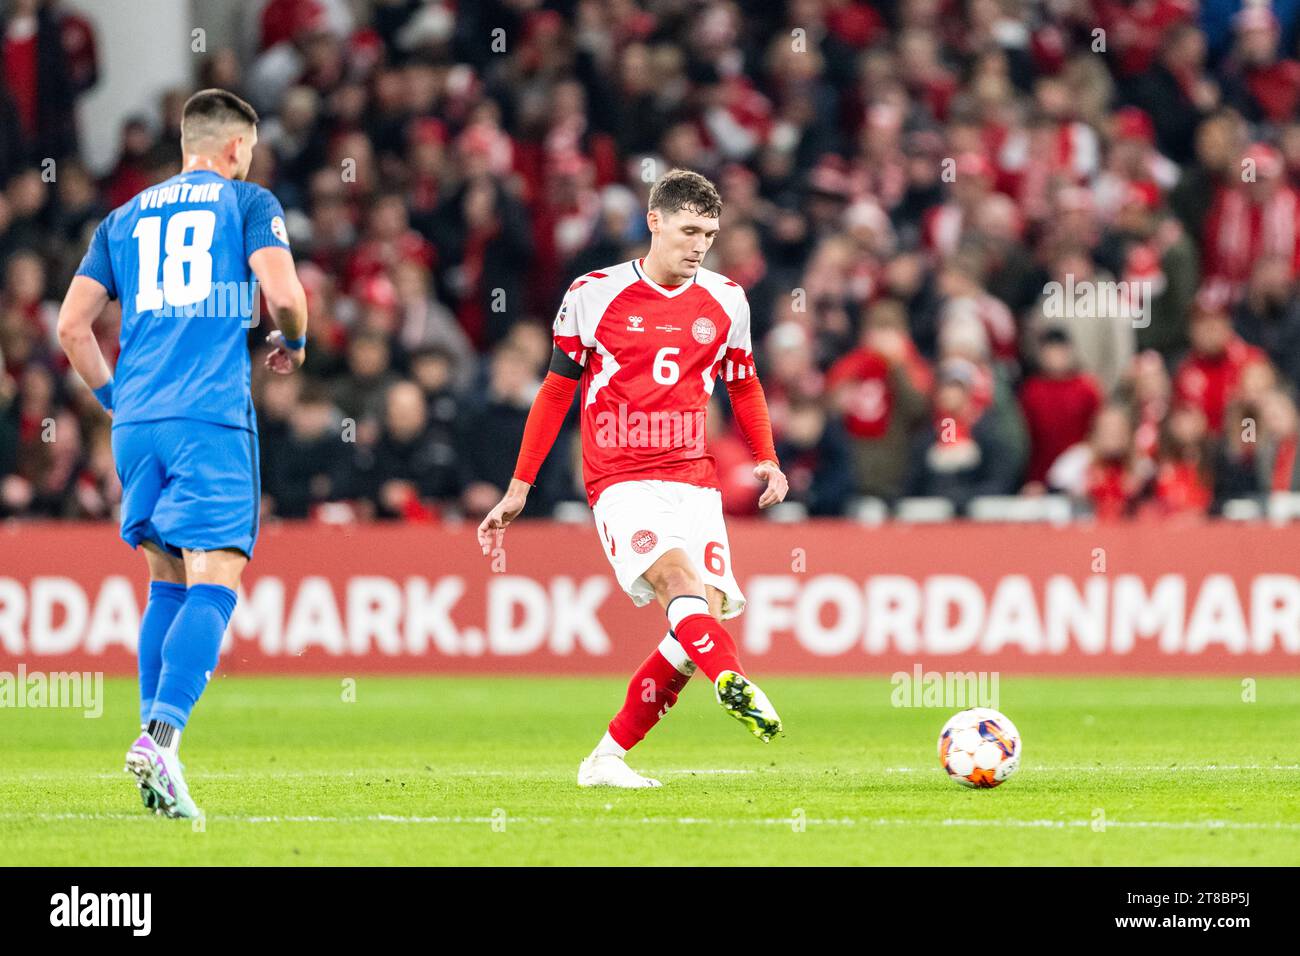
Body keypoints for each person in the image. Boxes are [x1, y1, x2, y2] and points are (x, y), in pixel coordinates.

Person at [476, 169, 788, 789]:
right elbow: (556, 389)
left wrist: (768, 456)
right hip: (621, 478)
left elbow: (744, 381)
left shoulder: (727, 299)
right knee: (678, 585)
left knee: (701, 616)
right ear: (655, 221)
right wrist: (520, 485)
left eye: (711, 233)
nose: (700, 244)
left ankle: (606, 759)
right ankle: (736, 679)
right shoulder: (594, 292)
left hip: (694, 480)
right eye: (689, 230)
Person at [57, 89, 308, 818]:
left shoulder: (123, 217)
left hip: (137, 423)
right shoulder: (248, 201)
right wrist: (290, 341)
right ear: (235, 149)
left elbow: (74, 327)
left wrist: (114, 402)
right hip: (209, 417)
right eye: (250, 153)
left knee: (165, 579)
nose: (250, 162)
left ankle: (153, 751)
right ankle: (161, 741)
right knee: (218, 573)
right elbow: (285, 296)